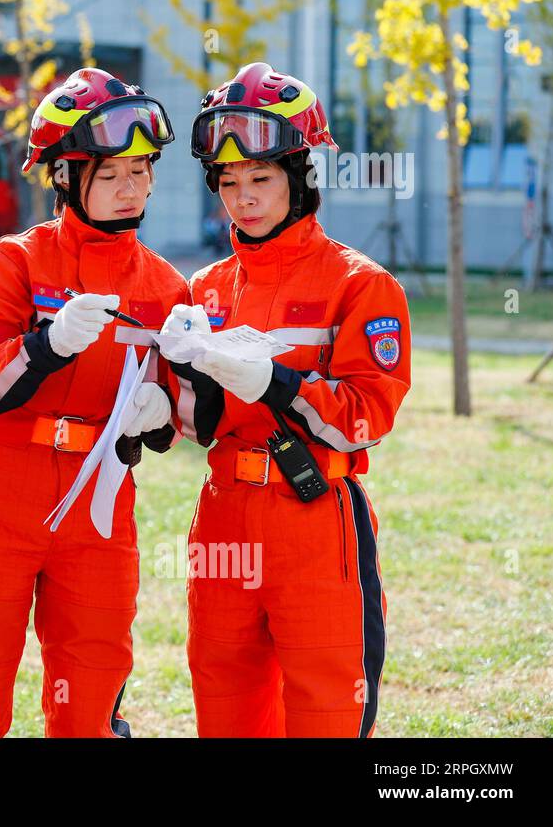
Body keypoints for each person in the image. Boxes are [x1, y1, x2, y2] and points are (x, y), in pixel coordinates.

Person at [0, 68, 189, 737]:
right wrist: (47, 346)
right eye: (112, 173)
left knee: (89, 701)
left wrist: (162, 409)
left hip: (99, 504)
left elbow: (179, 412)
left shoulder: (167, 287)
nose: (134, 188)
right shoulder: (10, 263)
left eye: (142, 170)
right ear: (65, 177)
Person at [160, 61, 411, 737]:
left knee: (326, 710)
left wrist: (272, 383)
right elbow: (195, 422)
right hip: (223, 519)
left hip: (315, 516)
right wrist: (161, 405)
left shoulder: (361, 286)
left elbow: (367, 416)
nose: (244, 197)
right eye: (229, 183)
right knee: (225, 705)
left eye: (261, 179)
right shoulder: (204, 288)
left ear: (301, 178)